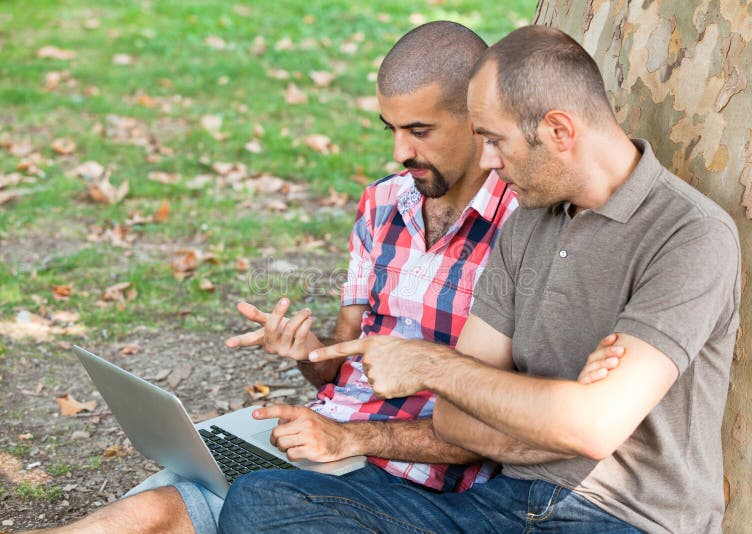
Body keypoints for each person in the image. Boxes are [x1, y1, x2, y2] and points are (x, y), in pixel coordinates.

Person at [31, 22, 621, 534]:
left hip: (413, 480)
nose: (399, 151)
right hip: (322, 439)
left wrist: (353, 439)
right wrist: (307, 354)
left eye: (418, 130)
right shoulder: (382, 204)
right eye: (388, 127)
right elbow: (341, 363)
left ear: (477, 121)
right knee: (141, 518)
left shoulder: (525, 228)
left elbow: (516, 420)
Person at [218, 25, 742, 534]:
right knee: (262, 499)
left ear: (559, 131)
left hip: (623, 516)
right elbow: (455, 422)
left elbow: (591, 427)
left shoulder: (692, 235)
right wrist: (568, 411)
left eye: (495, 141)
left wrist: (433, 364)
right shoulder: (529, 223)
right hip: (501, 506)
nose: (487, 161)